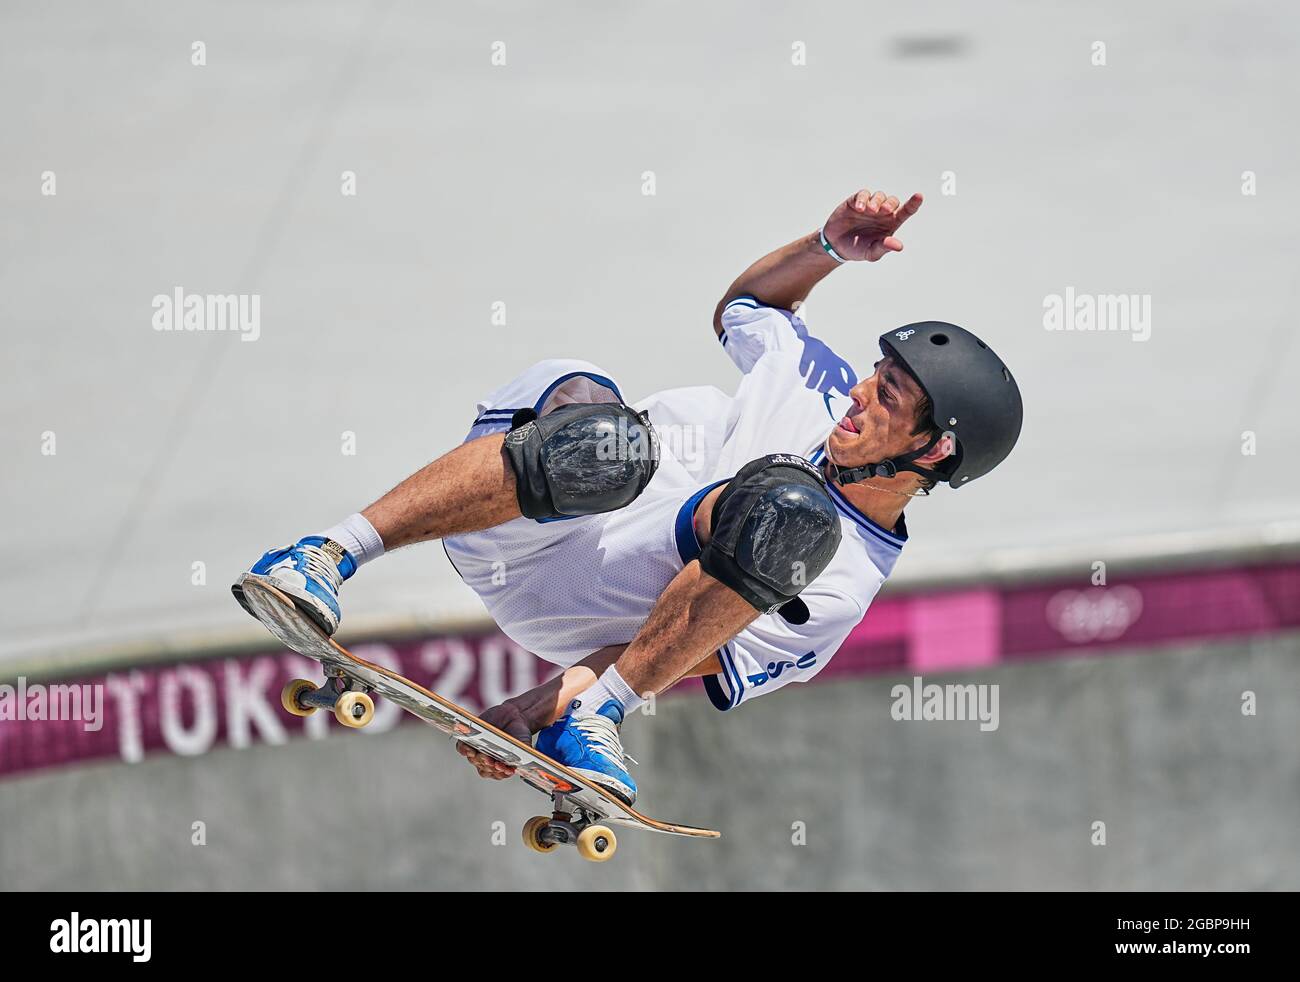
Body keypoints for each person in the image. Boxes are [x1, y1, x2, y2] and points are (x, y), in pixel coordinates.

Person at [233, 186, 1023, 805]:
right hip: (523, 500)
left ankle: (598, 720)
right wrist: (826, 248)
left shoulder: (843, 588)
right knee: (608, 436)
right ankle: (326, 554)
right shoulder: (815, 387)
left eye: (887, 399)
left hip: (572, 599)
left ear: (936, 449)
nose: (855, 396)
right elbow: (748, 309)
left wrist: (541, 708)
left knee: (786, 513)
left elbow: (684, 650)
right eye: (871, 377)